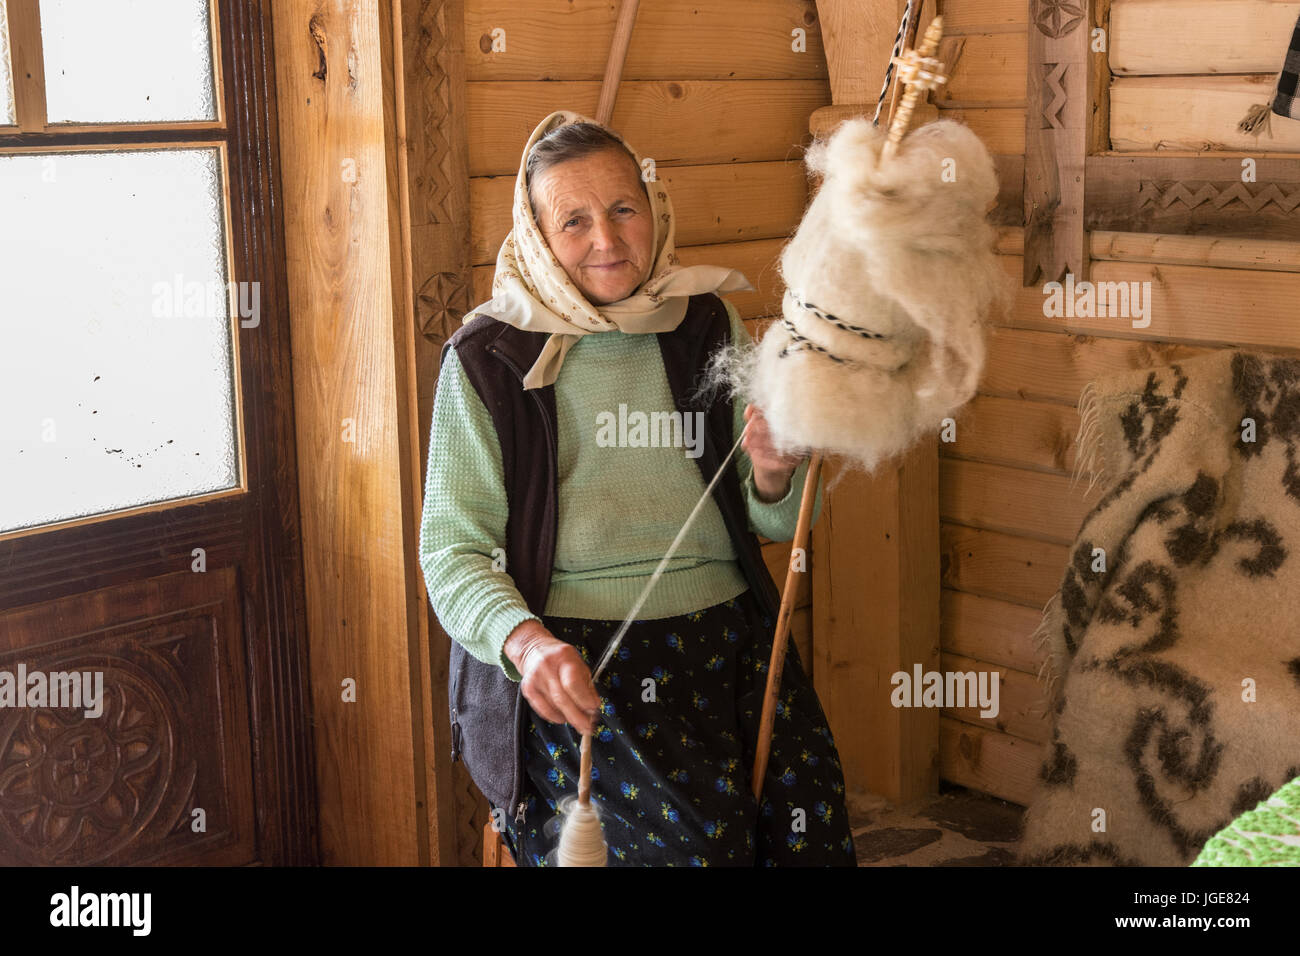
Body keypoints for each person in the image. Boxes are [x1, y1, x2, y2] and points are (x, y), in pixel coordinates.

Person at [419, 110, 856, 866]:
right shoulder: (488, 357)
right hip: (581, 667)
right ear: (536, 234)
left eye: (625, 209)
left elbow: (775, 519)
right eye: (575, 221)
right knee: (700, 850)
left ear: (654, 206)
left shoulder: (704, 322)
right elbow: (450, 552)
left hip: (732, 640)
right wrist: (527, 646)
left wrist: (777, 470)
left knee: (812, 834)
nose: (608, 241)